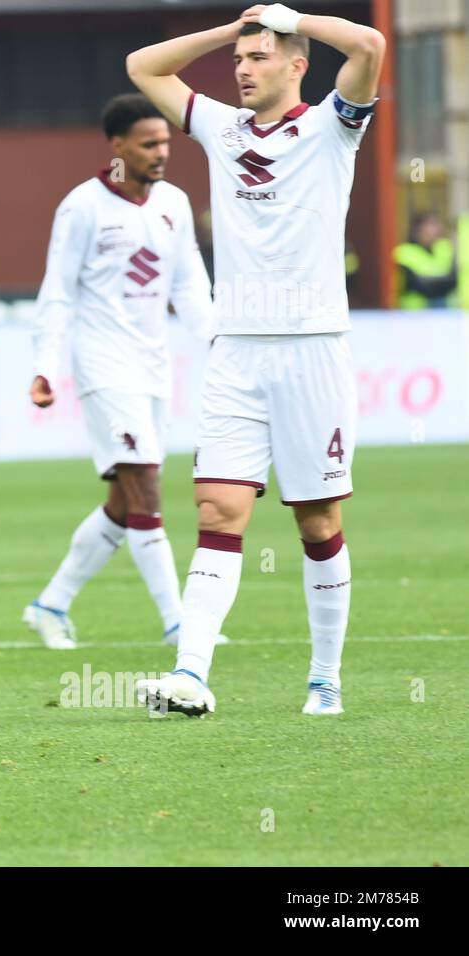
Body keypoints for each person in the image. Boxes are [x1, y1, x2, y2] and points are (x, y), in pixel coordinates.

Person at [126, 4, 385, 717]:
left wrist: (294, 16)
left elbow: (369, 44)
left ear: (298, 64)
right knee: (218, 507)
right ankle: (192, 676)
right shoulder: (219, 125)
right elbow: (142, 67)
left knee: (318, 522)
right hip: (236, 351)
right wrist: (231, 30)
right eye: (240, 61)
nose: (243, 69)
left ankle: (325, 679)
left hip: (313, 350)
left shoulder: (334, 125)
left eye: (260, 57)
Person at [24, 93, 216, 651]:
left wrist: (219, 346)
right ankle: (181, 625)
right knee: (147, 486)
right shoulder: (82, 207)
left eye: (165, 142)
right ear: (117, 146)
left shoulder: (174, 204)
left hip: (153, 364)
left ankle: (49, 605)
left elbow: (188, 288)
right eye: (149, 143)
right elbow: (56, 291)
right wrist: (45, 366)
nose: (161, 152)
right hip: (102, 363)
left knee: (126, 502)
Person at [394, 213, 458, 309]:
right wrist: (441, 282)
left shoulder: (444, 248)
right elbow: (414, 285)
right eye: (431, 225)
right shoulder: (404, 252)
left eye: (437, 225)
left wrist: (429, 282)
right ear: (417, 229)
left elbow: (454, 280)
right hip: (414, 313)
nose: (436, 229)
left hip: (445, 312)